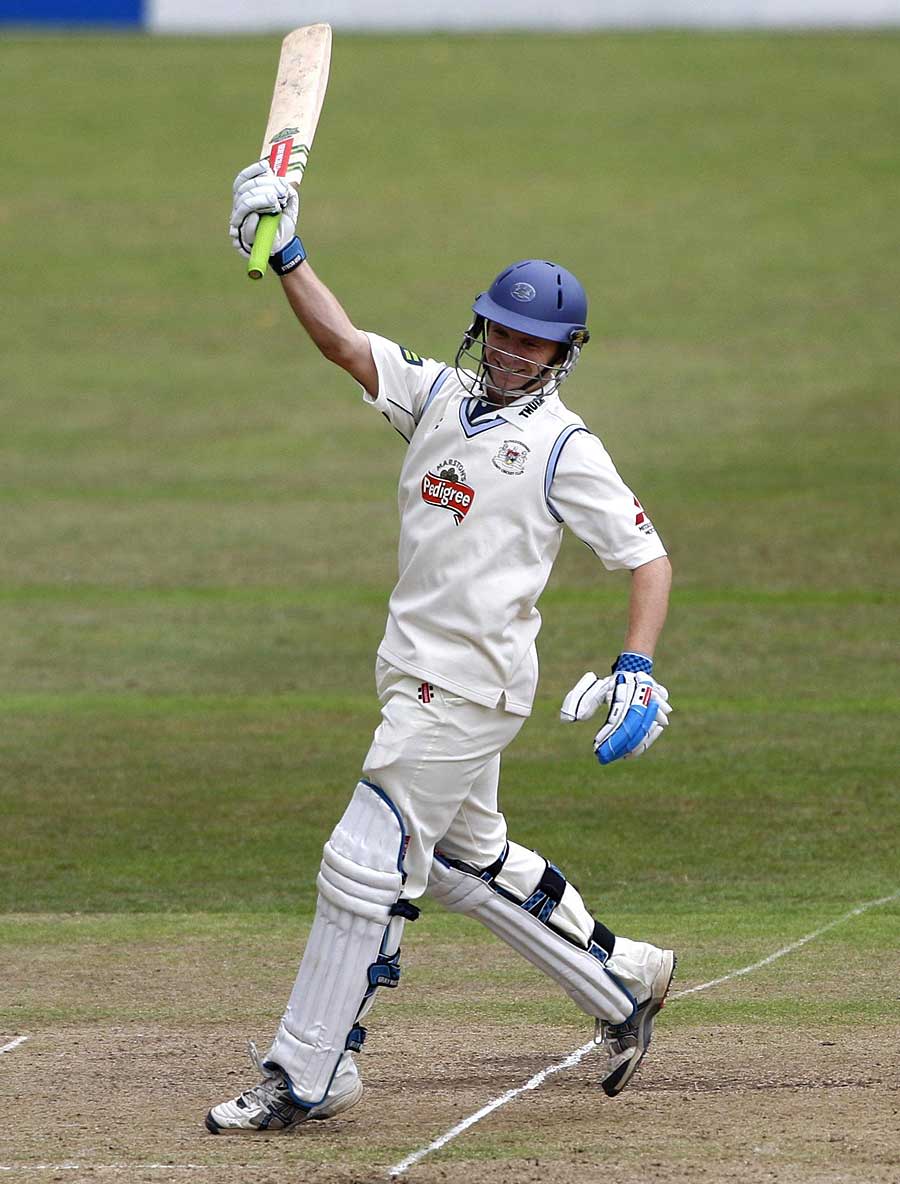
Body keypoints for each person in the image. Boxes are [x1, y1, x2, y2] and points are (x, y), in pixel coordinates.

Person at [205, 161, 676, 1134]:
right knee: (470, 860)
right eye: (502, 330)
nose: (512, 351)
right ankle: (624, 977)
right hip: (412, 672)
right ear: (482, 327)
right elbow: (340, 341)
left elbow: (648, 556)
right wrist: (284, 248)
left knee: (364, 854)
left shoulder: (563, 447)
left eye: (533, 341)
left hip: (469, 689)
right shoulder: (432, 393)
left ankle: (310, 1067)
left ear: (561, 354)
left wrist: (637, 665)